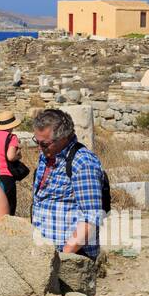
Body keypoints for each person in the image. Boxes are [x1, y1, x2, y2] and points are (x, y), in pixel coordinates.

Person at [30, 108, 104, 259]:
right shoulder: (47, 154)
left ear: (63, 138)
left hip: (71, 255)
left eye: (44, 144)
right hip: (45, 252)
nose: (39, 148)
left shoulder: (83, 163)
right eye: (36, 142)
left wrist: (64, 255)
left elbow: (91, 219)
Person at [0, 111, 25, 214]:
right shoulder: (12, 137)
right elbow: (10, 157)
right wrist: (19, 155)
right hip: (6, 177)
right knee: (8, 211)